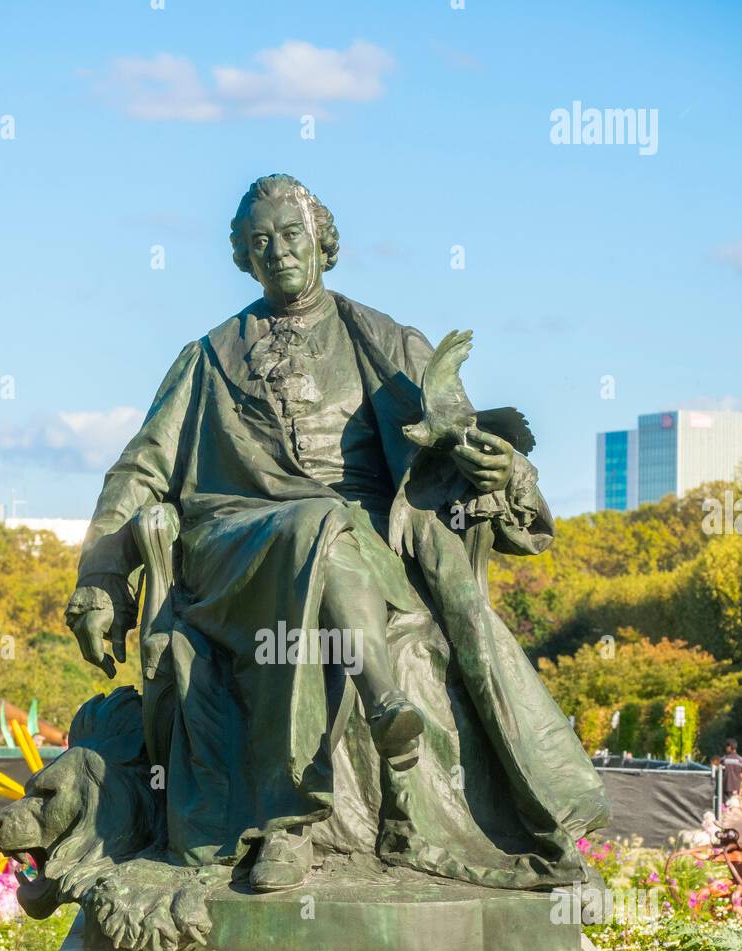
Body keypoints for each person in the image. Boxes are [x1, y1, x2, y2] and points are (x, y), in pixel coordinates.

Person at [66, 174, 608, 893]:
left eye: (291, 235)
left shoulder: (388, 344)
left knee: (328, 527)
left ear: (322, 242)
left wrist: (500, 467)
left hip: (363, 547)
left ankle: (296, 820)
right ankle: (378, 713)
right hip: (232, 544)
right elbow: (138, 471)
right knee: (316, 523)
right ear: (244, 259)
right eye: (260, 243)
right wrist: (101, 580)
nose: (278, 252)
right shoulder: (206, 358)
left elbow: (467, 451)